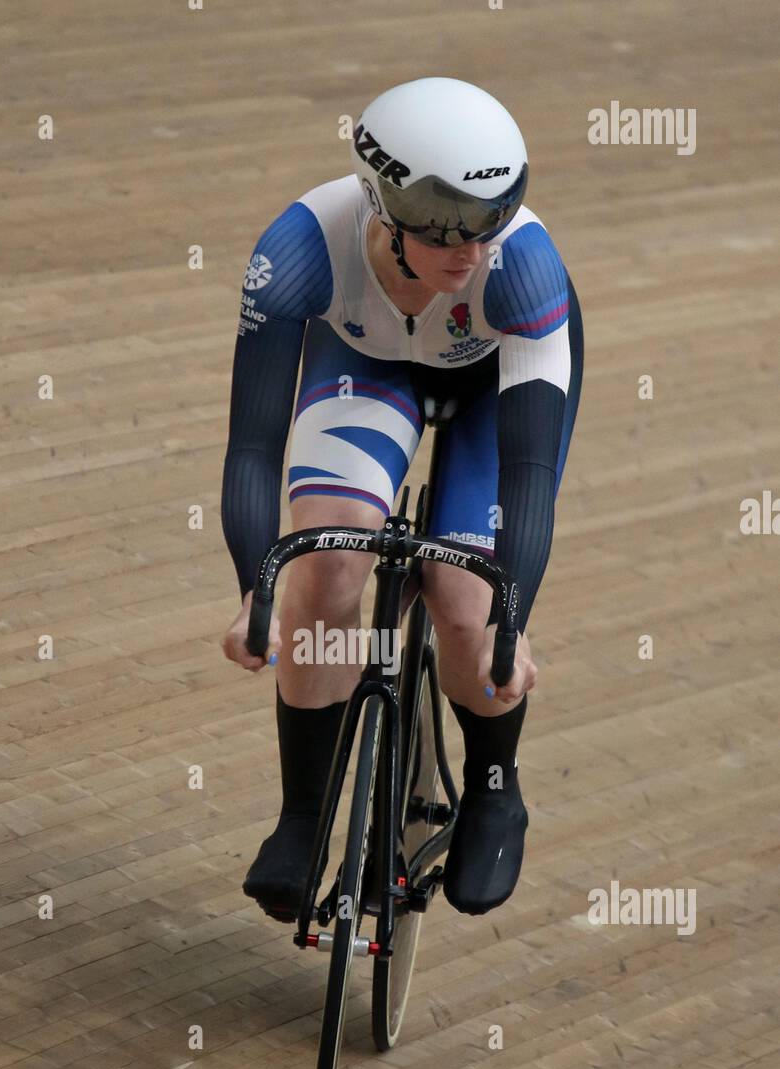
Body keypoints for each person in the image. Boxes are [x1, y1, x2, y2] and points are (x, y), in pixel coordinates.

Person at [220, 76, 582, 921]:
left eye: (493, 217)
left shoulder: (521, 271)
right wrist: (254, 588)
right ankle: (304, 815)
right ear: (381, 207)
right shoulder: (302, 249)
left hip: (497, 384)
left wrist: (511, 622)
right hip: (367, 366)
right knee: (325, 567)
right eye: (448, 225)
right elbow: (252, 444)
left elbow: (527, 473)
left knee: (466, 603)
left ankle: (495, 786)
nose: (473, 250)